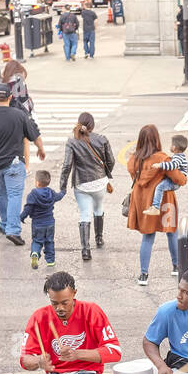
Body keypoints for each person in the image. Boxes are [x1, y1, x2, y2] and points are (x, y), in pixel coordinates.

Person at [0, 82, 44, 248]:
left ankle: (4, 223)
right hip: (13, 162)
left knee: (1, 193)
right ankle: (13, 230)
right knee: (14, 195)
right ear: (10, 97)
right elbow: (33, 134)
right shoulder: (19, 115)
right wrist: (40, 148)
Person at [127, 124, 186, 285]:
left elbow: (134, 176)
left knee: (147, 237)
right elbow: (179, 179)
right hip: (165, 202)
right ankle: (176, 266)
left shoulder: (133, 159)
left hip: (144, 202)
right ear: (156, 139)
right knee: (171, 233)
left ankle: (144, 274)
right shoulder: (162, 158)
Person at [59, 112, 114, 262]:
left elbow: (66, 166)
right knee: (98, 208)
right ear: (93, 125)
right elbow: (111, 161)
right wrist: (105, 174)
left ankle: (86, 250)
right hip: (99, 182)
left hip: (81, 183)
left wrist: (62, 187)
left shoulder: (72, 141)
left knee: (84, 214)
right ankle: (99, 238)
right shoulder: (102, 139)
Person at [20, 170, 66, 269]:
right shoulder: (51, 193)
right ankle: (50, 261)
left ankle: (35, 253)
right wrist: (63, 191)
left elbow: (28, 208)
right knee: (49, 241)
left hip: (37, 224)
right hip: (50, 223)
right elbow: (59, 196)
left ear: (37, 182)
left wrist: (22, 217)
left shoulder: (33, 194)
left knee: (37, 241)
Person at [142, 134, 188, 219]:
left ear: (174, 148)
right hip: (175, 181)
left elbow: (172, 166)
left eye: (171, 145)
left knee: (160, 187)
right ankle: (154, 206)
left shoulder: (178, 157)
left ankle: (155, 207)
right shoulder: (179, 156)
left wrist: (160, 165)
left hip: (175, 182)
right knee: (160, 186)